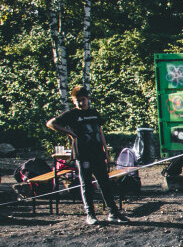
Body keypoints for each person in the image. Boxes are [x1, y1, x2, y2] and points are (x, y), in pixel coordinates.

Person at [47, 85, 128, 225]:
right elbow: (51, 123)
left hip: (97, 152)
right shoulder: (71, 114)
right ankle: (90, 214)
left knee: (104, 183)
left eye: (83, 100)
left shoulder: (94, 113)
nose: (80, 103)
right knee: (86, 184)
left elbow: (100, 131)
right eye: (77, 100)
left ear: (88, 99)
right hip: (82, 153)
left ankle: (113, 213)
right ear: (73, 101)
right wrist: (70, 133)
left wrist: (106, 151)